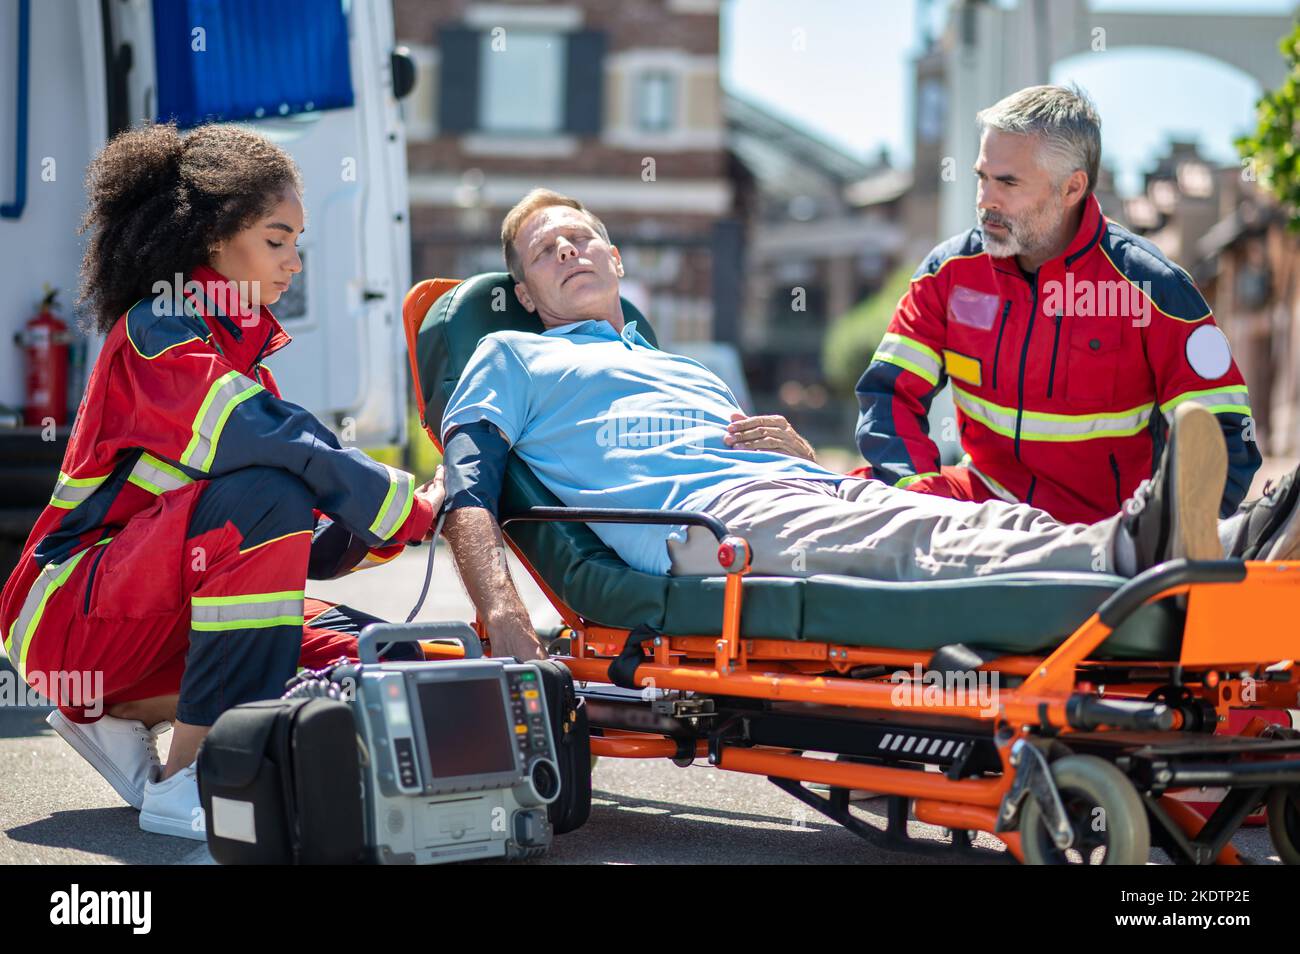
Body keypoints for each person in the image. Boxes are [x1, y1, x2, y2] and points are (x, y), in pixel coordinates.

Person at [436, 189, 1300, 660]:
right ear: (526, 295)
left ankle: (1232, 534)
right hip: (697, 535)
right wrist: (503, 613)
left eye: (581, 238)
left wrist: (806, 455)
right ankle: (1140, 549)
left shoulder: (677, 363)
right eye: (546, 253)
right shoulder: (510, 359)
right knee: (912, 546)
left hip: (788, 490)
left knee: (959, 518)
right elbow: (468, 494)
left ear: (616, 260)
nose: (569, 254)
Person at [0, 124, 444, 840]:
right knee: (268, 492)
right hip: (63, 618)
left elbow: (302, 544)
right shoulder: (158, 330)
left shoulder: (237, 360)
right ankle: (189, 781)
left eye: (297, 243)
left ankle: (119, 711)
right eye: (277, 240)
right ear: (212, 239)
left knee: (397, 661)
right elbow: (275, 449)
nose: (293, 263)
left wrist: (404, 523)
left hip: (142, 627)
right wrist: (398, 503)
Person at [853, 84, 1261, 527]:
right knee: (842, 498)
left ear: (1072, 188)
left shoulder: (1153, 287)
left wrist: (1167, 535)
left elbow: (1228, 436)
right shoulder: (946, 275)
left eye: (1008, 182)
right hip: (983, 513)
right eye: (982, 177)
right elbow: (888, 393)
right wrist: (918, 497)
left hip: (1109, 534)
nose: (986, 199)